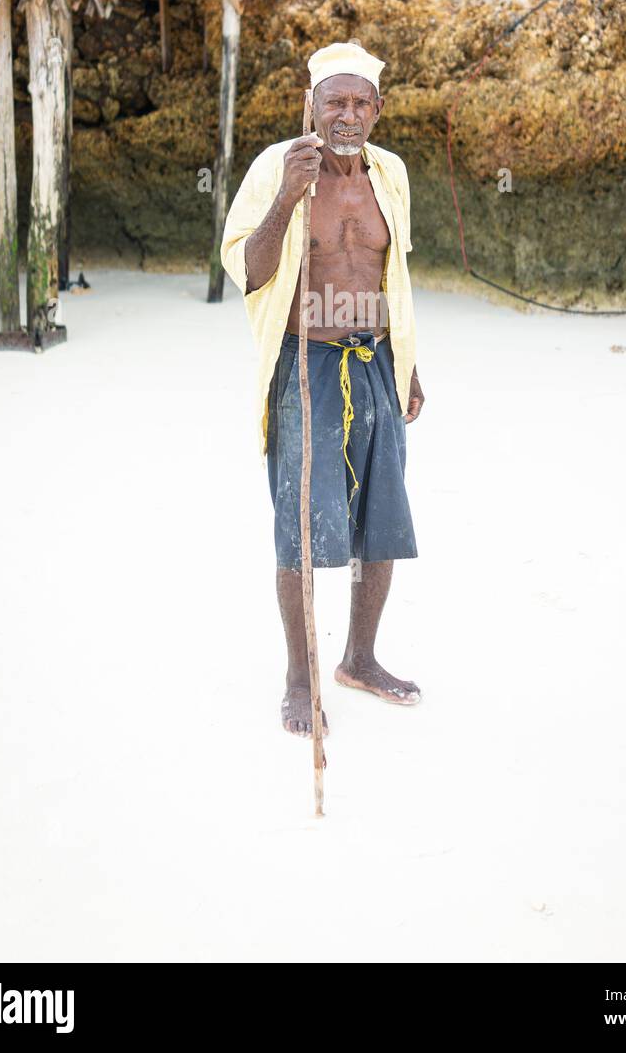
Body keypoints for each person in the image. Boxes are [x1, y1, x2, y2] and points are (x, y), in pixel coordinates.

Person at [221, 41, 424, 737]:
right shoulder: (276, 169)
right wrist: (286, 196)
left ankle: (359, 659)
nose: (347, 114)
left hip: (376, 362)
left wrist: (410, 364)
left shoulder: (390, 173)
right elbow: (246, 272)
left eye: (360, 102)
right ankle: (299, 680)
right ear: (311, 104)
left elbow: (390, 272)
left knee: (384, 525)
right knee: (302, 532)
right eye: (333, 101)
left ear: (378, 109)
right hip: (304, 363)